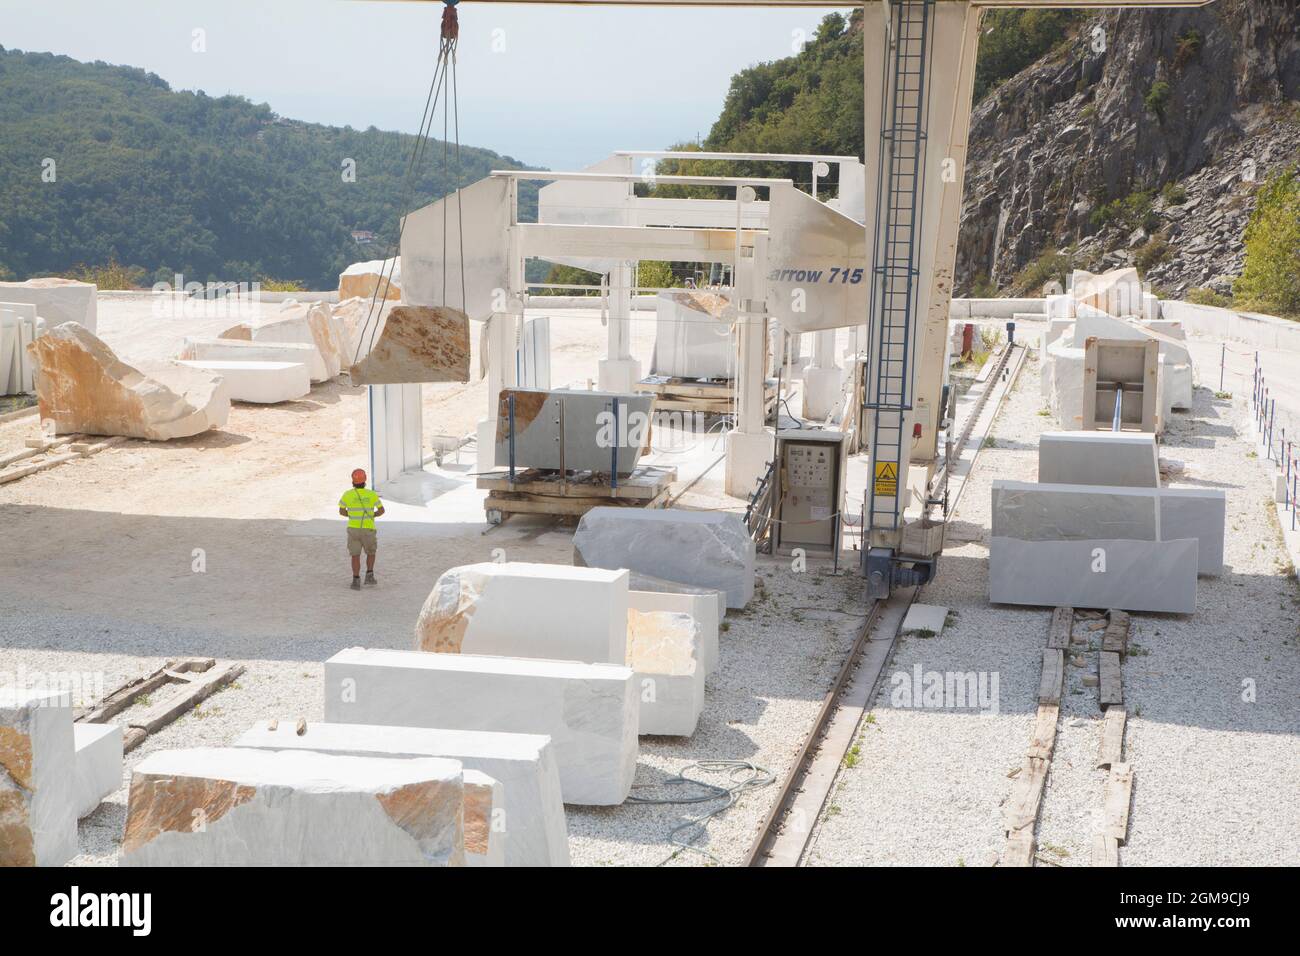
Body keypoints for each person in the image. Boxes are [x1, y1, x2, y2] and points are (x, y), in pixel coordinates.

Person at [339, 468, 384, 590]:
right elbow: (381, 511)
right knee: (371, 552)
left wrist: (352, 515)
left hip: (353, 529)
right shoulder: (371, 494)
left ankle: (356, 580)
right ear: (365, 481)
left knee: (355, 555)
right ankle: (369, 576)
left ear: (353, 481)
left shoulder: (347, 495)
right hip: (368, 529)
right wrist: (372, 515)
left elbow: (341, 511)